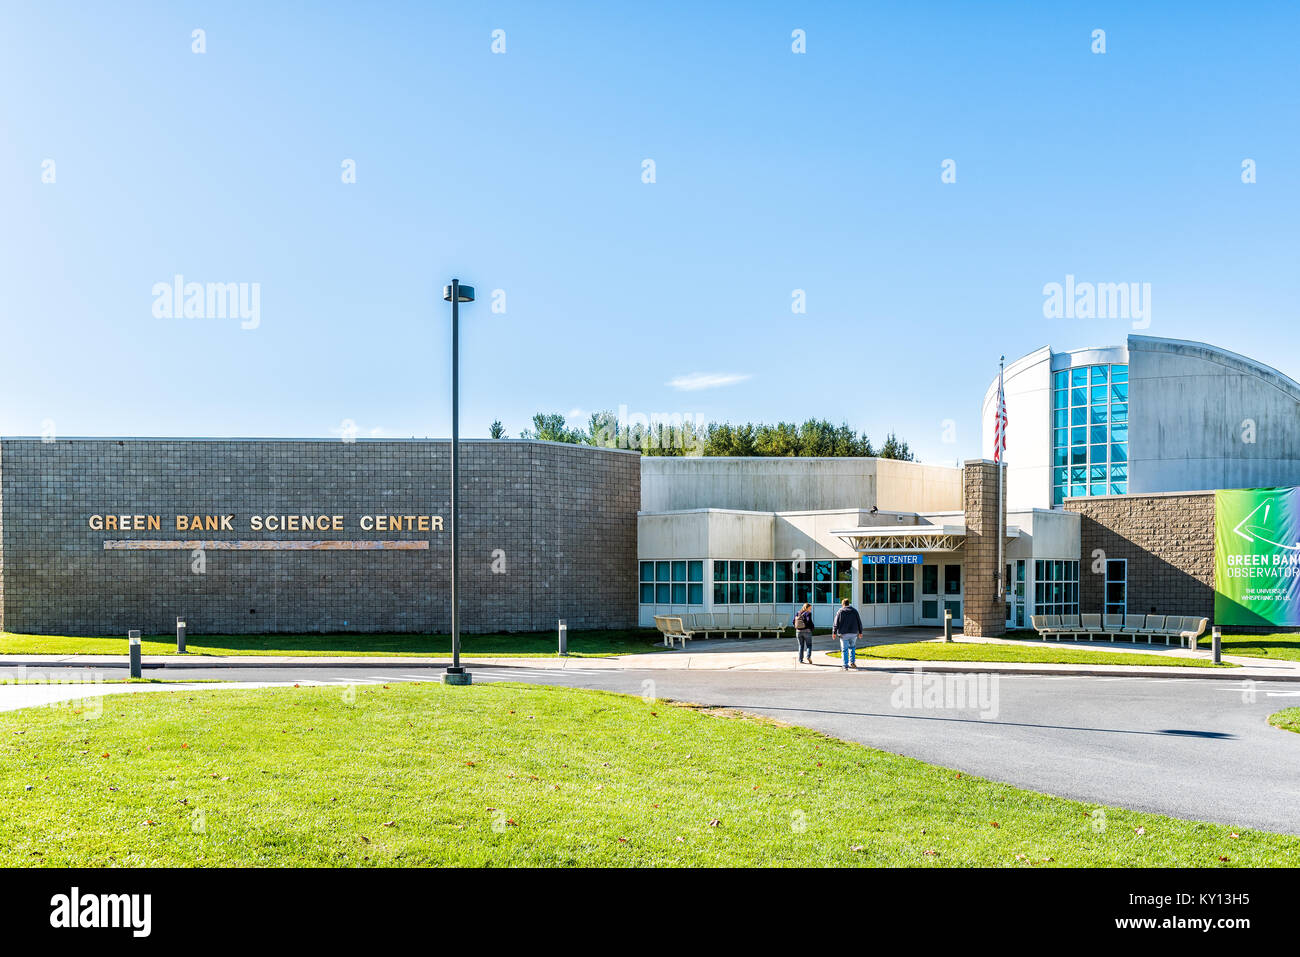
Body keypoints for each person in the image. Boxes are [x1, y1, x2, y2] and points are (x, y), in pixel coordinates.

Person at [831, 597, 862, 670]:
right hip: (853, 633)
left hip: (843, 633)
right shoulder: (854, 611)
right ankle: (852, 662)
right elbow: (859, 622)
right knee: (852, 648)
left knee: (844, 649)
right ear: (849, 603)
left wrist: (834, 632)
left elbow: (836, 623)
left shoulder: (840, 611)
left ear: (843, 604)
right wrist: (860, 632)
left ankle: (845, 665)